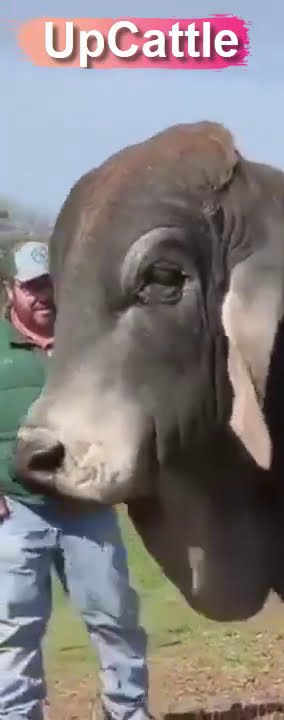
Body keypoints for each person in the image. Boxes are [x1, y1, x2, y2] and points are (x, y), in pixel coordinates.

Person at [0, 240, 151, 719]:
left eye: (48, 283)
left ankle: (127, 711)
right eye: (31, 287)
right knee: (15, 627)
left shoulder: (87, 338)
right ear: (10, 290)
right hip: (16, 510)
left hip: (87, 506)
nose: (42, 295)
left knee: (115, 617)